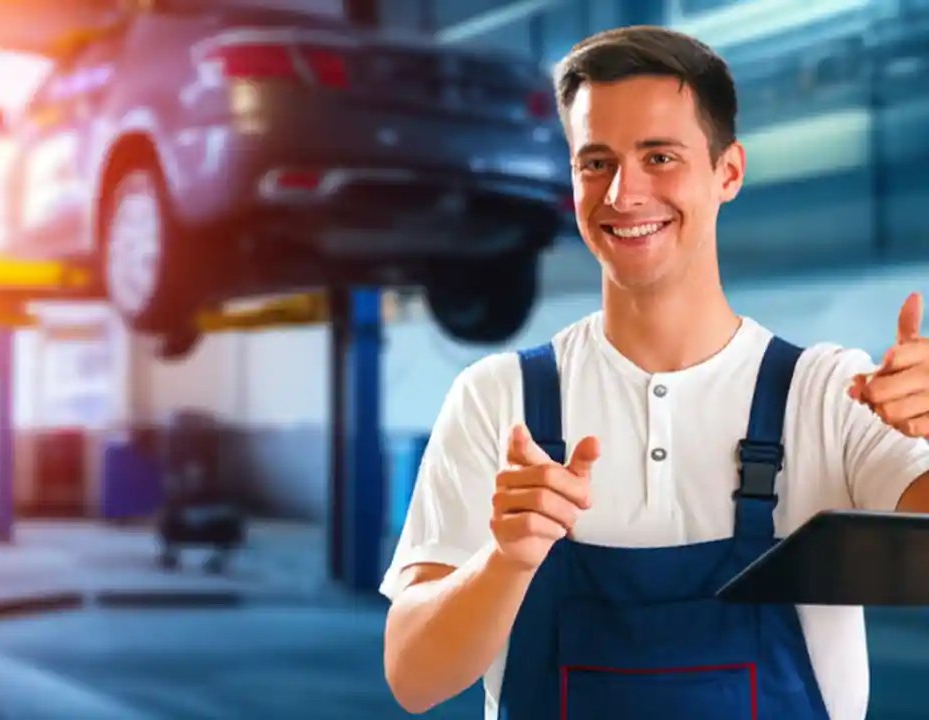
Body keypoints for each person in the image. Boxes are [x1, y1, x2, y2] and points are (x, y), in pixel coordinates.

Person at [380, 25, 929, 720]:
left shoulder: (828, 395)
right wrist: (506, 560)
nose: (622, 193)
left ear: (728, 172)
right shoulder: (500, 401)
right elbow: (412, 678)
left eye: (659, 156)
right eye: (595, 163)